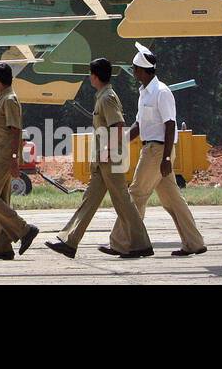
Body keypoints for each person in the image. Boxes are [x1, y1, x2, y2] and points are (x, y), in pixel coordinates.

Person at [105, 44, 207, 257]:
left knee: (136, 193)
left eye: (134, 69)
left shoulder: (162, 92)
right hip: (152, 149)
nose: (133, 72)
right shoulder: (144, 94)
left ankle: (125, 243)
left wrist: (167, 157)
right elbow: (139, 125)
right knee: (173, 200)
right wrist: (120, 142)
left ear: (142, 70)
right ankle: (194, 243)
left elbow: (170, 125)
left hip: (157, 150)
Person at [45, 57, 153, 259]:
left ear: (94, 77)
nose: (89, 78)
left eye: (90, 75)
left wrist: (106, 150)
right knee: (89, 201)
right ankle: (69, 241)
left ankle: (141, 244)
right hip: (103, 160)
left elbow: (118, 127)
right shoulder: (103, 96)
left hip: (110, 159)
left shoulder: (107, 98)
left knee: (123, 202)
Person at [0, 63, 40, 260]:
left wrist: (14, 160)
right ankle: (2, 248)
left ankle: (25, 230)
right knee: (0, 201)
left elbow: (15, 132)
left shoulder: (10, 100)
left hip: (3, 158)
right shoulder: (1, 100)